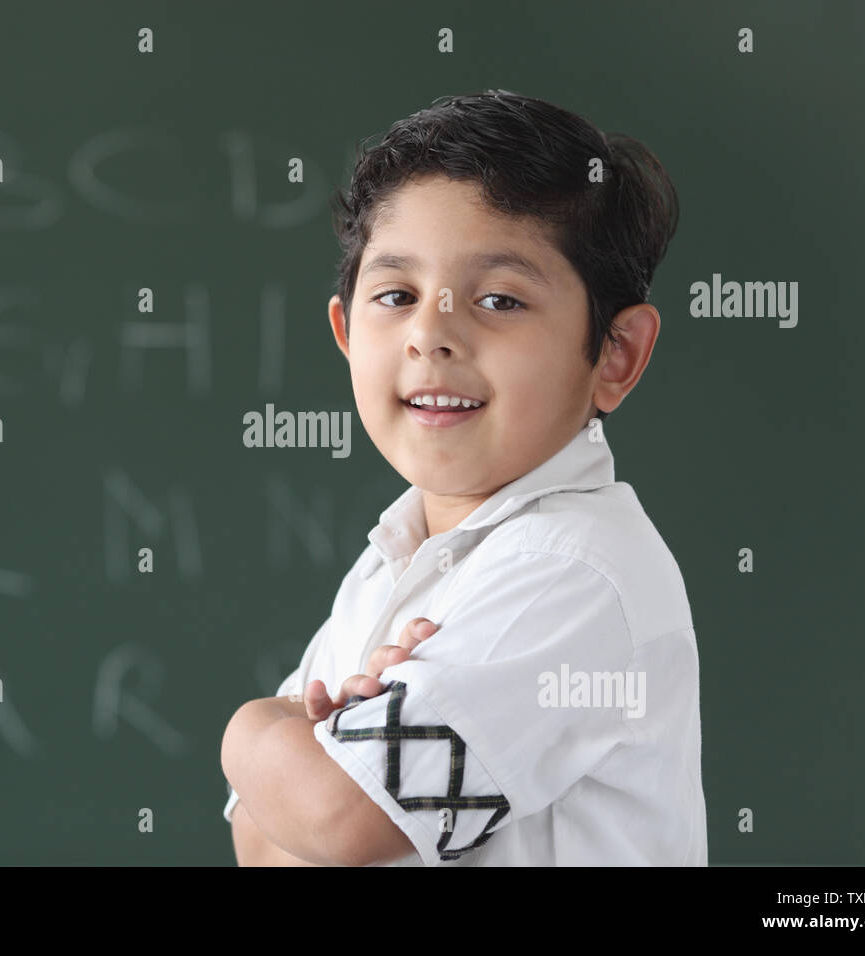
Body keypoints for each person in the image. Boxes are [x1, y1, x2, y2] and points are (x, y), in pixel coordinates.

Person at [220, 89, 705, 866]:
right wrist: (299, 769)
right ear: (346, 332)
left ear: (615, 354)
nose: (432, 334)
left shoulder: (570, 568)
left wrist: (253, 728)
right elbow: (266, 847)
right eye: (396, 295)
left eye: (500, 299)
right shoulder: (391, 562)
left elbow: (338, 823)